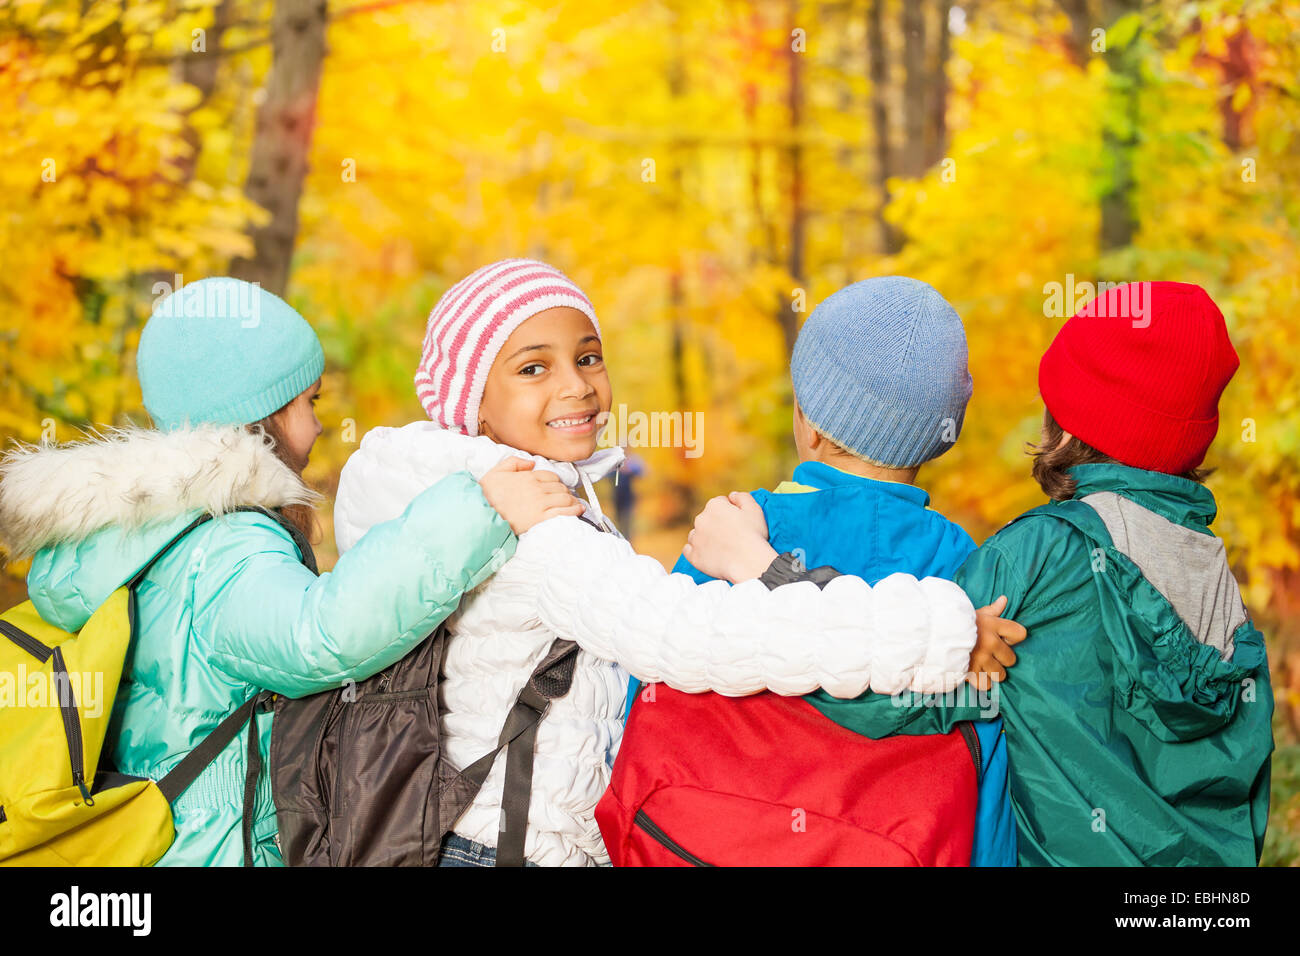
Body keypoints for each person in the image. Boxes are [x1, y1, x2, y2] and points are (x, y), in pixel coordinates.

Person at [334, 259, 1010, 866]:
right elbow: (680, 637)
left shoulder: (492, 503)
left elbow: (647, 711)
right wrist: (945, 633)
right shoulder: (532, 526)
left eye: (589, 357)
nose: (577, 386)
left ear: (807, 418)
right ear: (470, 404)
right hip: (508, 847)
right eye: (533, 367)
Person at [688, 281, 1275, 866]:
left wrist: (768, 574)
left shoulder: (1035, 557)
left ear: (1065, 426)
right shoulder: (1217, 580)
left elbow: (881, 684)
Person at [0, 277, 572, 866]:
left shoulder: (138, 535)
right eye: (311, 402)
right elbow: (319, 635)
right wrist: (479, 511)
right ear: (262, 413)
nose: (320, 425)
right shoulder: (224, 544)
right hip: (218, 846)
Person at [658, 276, 1019, 866]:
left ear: (811, 424)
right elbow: (988, 748)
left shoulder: (738, 530)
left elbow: (650, 690)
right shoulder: (965, 564)